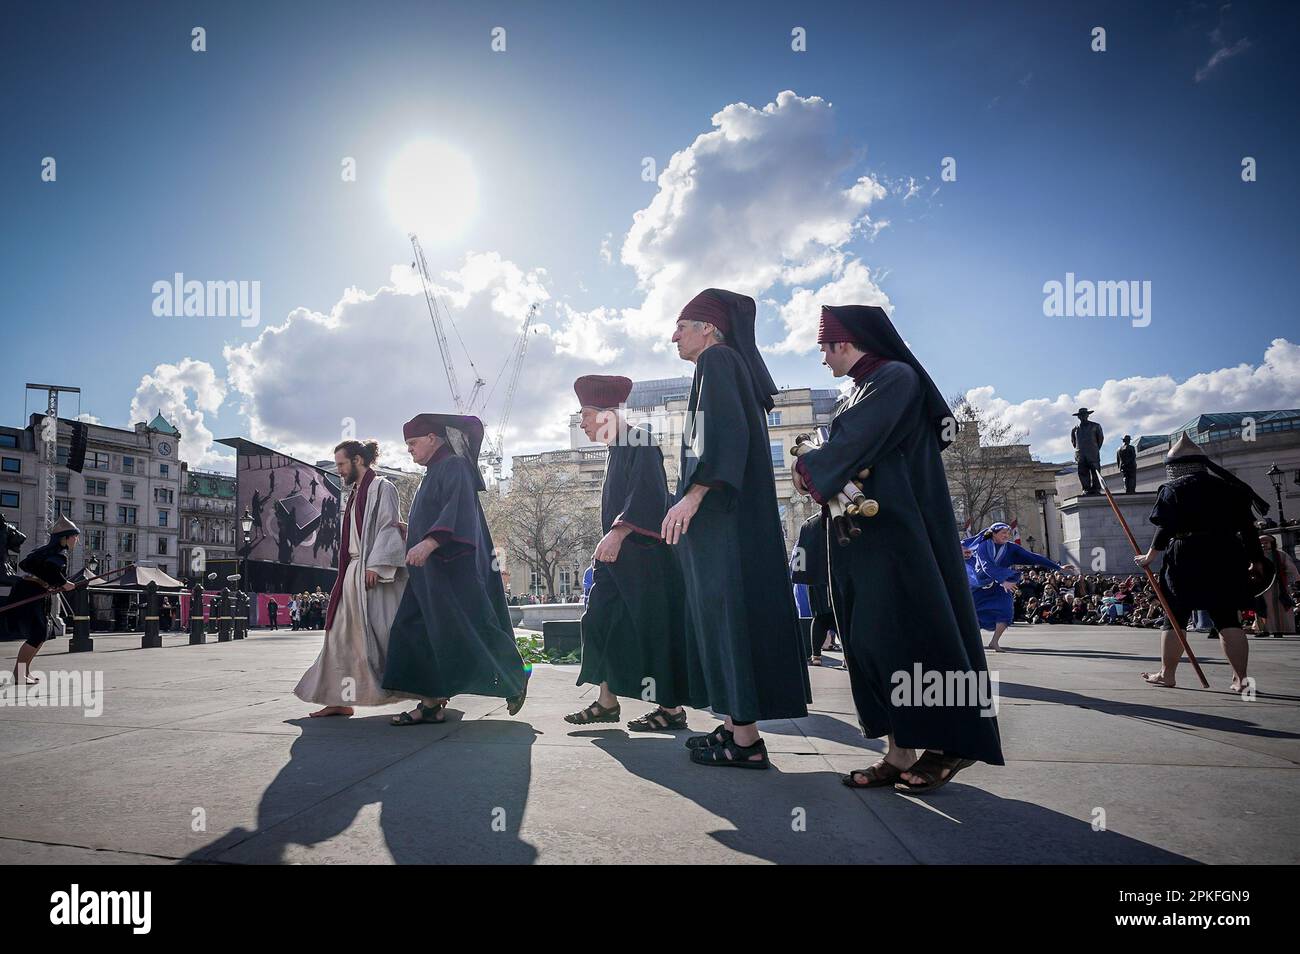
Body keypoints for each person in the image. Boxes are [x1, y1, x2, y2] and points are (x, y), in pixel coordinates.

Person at [793, 305, 1003, 794]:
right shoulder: (861, 390)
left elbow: (850, 445)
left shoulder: (896, 378)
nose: (823, 358)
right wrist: (820, 464)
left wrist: (813, 465)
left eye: (825, 347)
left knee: (914, 634)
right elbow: (842, 448)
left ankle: (953, 743)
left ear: (844, 343)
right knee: (870, 641)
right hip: (863, 540)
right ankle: (898, 751)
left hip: (899, 537)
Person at [662, 288, 810, 769]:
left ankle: (744, 742)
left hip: (721, 519)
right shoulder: (727, 365)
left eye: (681, 327)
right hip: (731, 516)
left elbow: (724, 435)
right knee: (731, 614)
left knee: (725, 615)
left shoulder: (718, 362)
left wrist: (693, 493)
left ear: (707, 329)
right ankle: (733, 728)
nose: (674, 337)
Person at [563, 375, 697, 731]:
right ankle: (607, 701)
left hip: (644, 559)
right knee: (599, 622)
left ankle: (671, 709)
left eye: (586, 416)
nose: (583, 424)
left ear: (608, 414)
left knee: (652, 629)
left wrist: (618, 533)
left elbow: (649, 493)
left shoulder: (640, 439)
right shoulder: (616, 448)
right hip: (616, 559)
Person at [383, 414, 529, 724]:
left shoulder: (454, 465)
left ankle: (515, 677)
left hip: (450, 571)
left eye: (412, 442)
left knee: (472, 627)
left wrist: (429, 542)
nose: (409, 449)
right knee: (415, 630)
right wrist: (412, 531)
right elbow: (441, 511)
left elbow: (457, 510)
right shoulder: (435, 470)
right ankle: (432, 701)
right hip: (429, 572)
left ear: (433, 439)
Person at [1133, 434, 1269, 692]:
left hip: (1187, 554)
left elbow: (1166, 527)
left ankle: (1167, 674)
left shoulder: (1173, 489)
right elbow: (1248, 529)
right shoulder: (1231, 489)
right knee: (1228, 618)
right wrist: (1256, 560)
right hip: (1227, 552)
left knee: (1175, 617)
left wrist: (1150, 557)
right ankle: (1241, 680)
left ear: (1174, 467)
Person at [296, 440, 410, 717]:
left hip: (372, 573)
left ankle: (429, 692)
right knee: (339, 637)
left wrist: (376, 565)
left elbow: (388, 525)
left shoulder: (383, 487)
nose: (339, 470)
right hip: (352, 574)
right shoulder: (356, 492)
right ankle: (338, 698)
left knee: (383, 635)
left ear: (358, 460)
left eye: (341, 464)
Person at [961, 522, 1076, 652]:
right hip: (981, 582)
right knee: (973, 612)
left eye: (1008, 533)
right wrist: (1003, 580)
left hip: (1002, 583)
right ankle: (971, 641)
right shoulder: (984, 546)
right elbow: (986, 566)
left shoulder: (1011, 548)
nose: (1006, 535)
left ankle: (994, 641)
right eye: (1003, 533)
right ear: (993, 534)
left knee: (1006, 611)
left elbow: (1032, 557)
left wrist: (1057, 567)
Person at [1, 516, 80, 684]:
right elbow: (49, 570)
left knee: (41, 634)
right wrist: (63, 583)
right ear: (65, 538)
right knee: (38, 634)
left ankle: (23, 672)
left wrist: (53, 582)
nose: (76, 539)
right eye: (74, 536)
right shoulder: (59, 555)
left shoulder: (46, 552)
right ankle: (19, 674)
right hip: (30, 593)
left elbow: (26, 564)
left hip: (29, 591)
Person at [791, 513, 838, 665]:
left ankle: (816, 655)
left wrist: (799, 575)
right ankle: (848, 658)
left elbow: (800, 552)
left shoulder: (808, 524)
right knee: (842, 616)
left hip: (815, 578)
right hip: (837, 575)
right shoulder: (840, 516)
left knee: (819, 617)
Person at [1255, 534, 1297, 637]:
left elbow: (1291, 569)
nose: (1263, 545)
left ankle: (1278, 630)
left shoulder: (1281, 555)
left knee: (1278, 608)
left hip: (1277, 586)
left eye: (1266, 543)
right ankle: (1263, 630)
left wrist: (1291, 583)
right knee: (1261, 608)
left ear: (1272, 543)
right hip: (1260, 586)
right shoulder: (1256, 555)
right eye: (1261, 543)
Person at [1071, 408, 1104, 495]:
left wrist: (1095, 449)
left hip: (1093, 453)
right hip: (1081, 455)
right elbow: (1074, 442)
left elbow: (1100, 439)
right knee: (1082, 472)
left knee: (1095, 471)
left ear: (1088, 415)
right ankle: (1086, 489)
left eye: (1085, 415)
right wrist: (1079, 451)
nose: (1083, 417)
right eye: (1081, 415)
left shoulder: (1096, 426)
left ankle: (1096, 489)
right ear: (1078, 417)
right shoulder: (1075, 429)